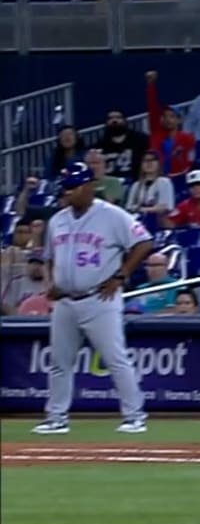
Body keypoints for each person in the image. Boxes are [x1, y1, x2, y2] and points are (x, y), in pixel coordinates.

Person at [31, 162, 154, 435]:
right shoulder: (58, 220)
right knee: (59, 363)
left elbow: (144, 242)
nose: (67, 193)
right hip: (65, 301)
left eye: (73, 187)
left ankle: (134, 416)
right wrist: (51, 284)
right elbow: (48, 258)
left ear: (89, 187)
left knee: (115, 359)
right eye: (65, 188)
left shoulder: (112, 215)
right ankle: (56, 418)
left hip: (100, 298)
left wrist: (120, 276)